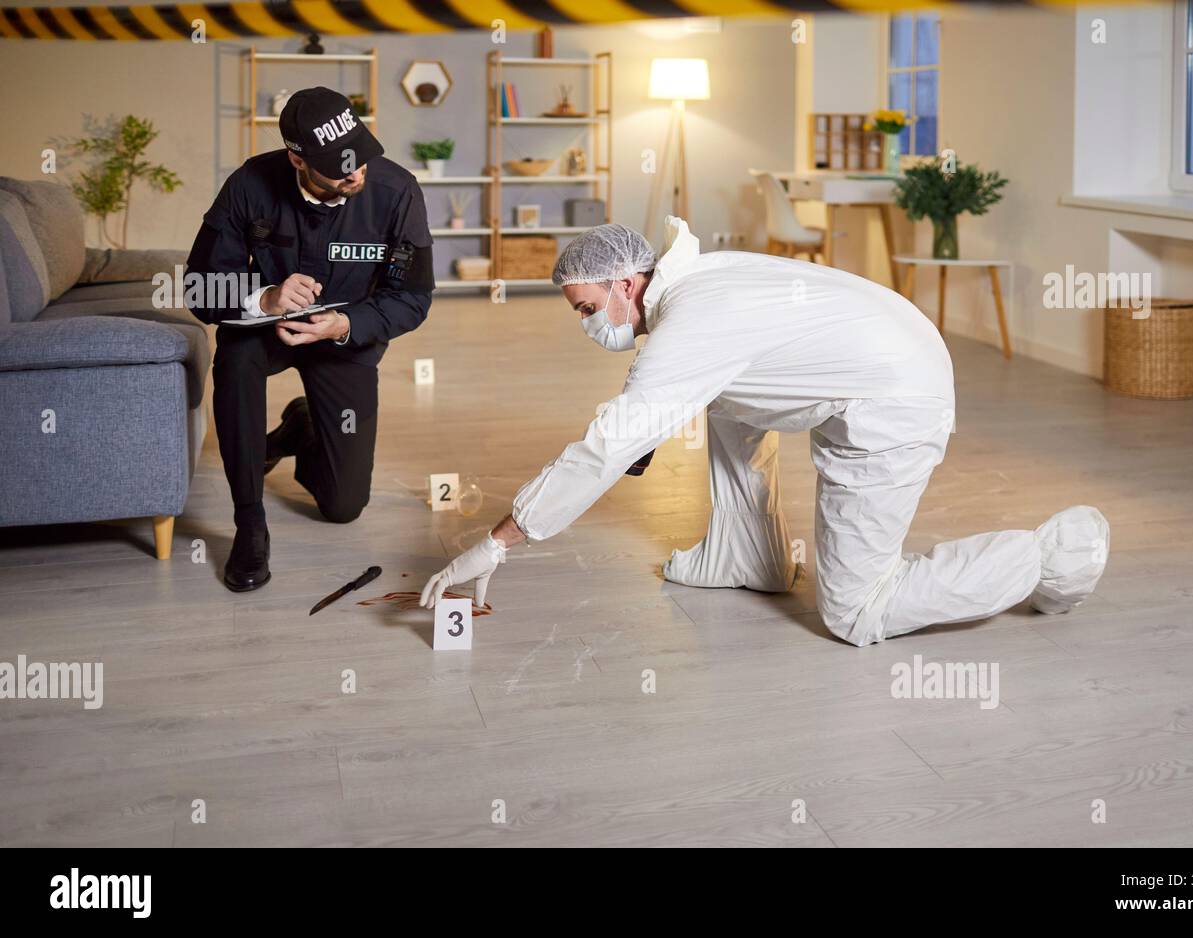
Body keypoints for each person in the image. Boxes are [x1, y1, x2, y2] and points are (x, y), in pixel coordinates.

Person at [420, 218, 1108, 646]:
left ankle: (1051, 556)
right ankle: (747, 556)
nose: (586, 325)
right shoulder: (694, 285)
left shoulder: (690, 322)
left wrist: (500, 543)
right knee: (723, 403)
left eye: (586, 309)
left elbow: (608, 445)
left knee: (855, 614)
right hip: (873, 368)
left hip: (896, 401)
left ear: (628, 283)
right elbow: (676, 393)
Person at [187, 87, 434, 592]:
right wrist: (265, 298)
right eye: (338, 167)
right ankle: (249, 522)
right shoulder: (249, 185)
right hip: (267, 330)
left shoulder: (398, 192)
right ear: (296, 158)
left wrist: (345, 325)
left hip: (346, 338)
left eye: (360, 157)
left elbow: (413, 298)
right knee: (235, 362)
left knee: (344, 508)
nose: (355, 172)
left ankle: (299, 429)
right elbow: (199, 285)